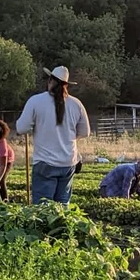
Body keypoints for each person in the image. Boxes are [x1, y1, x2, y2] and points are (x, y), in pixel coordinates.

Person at [15, 66, 90, 205]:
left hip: (45, 162)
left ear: (50, 80)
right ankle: (62, 227)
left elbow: (21, 127)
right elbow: (85, 132)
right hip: (68, 162)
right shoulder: (76, 104)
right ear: (66, 85)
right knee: (62, 206)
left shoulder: (36, 101)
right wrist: (68, 136)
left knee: (43, 207)